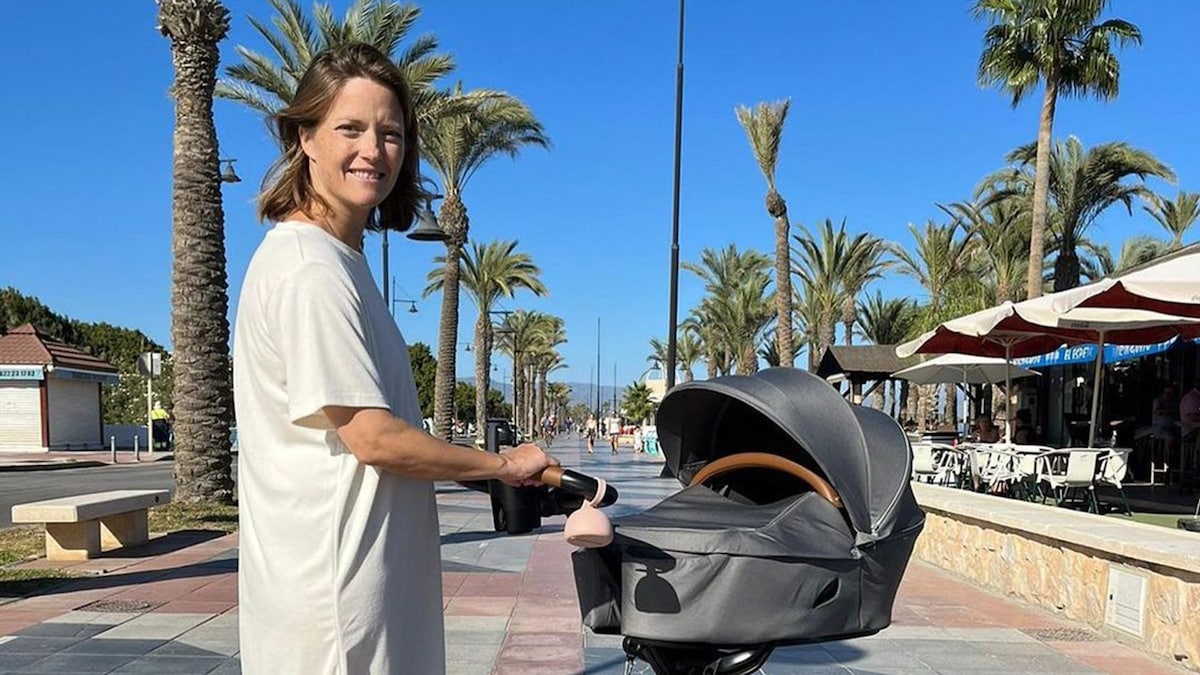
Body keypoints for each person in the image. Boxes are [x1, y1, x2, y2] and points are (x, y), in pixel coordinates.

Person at [231, 43, 556, 675]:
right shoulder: (309, 270)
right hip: (336, 605)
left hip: (359, 586)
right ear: (307, 138)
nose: (373, 151)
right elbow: (375, 439)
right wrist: (501, 466)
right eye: (349, 128)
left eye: (391, 134)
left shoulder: (338, 262)